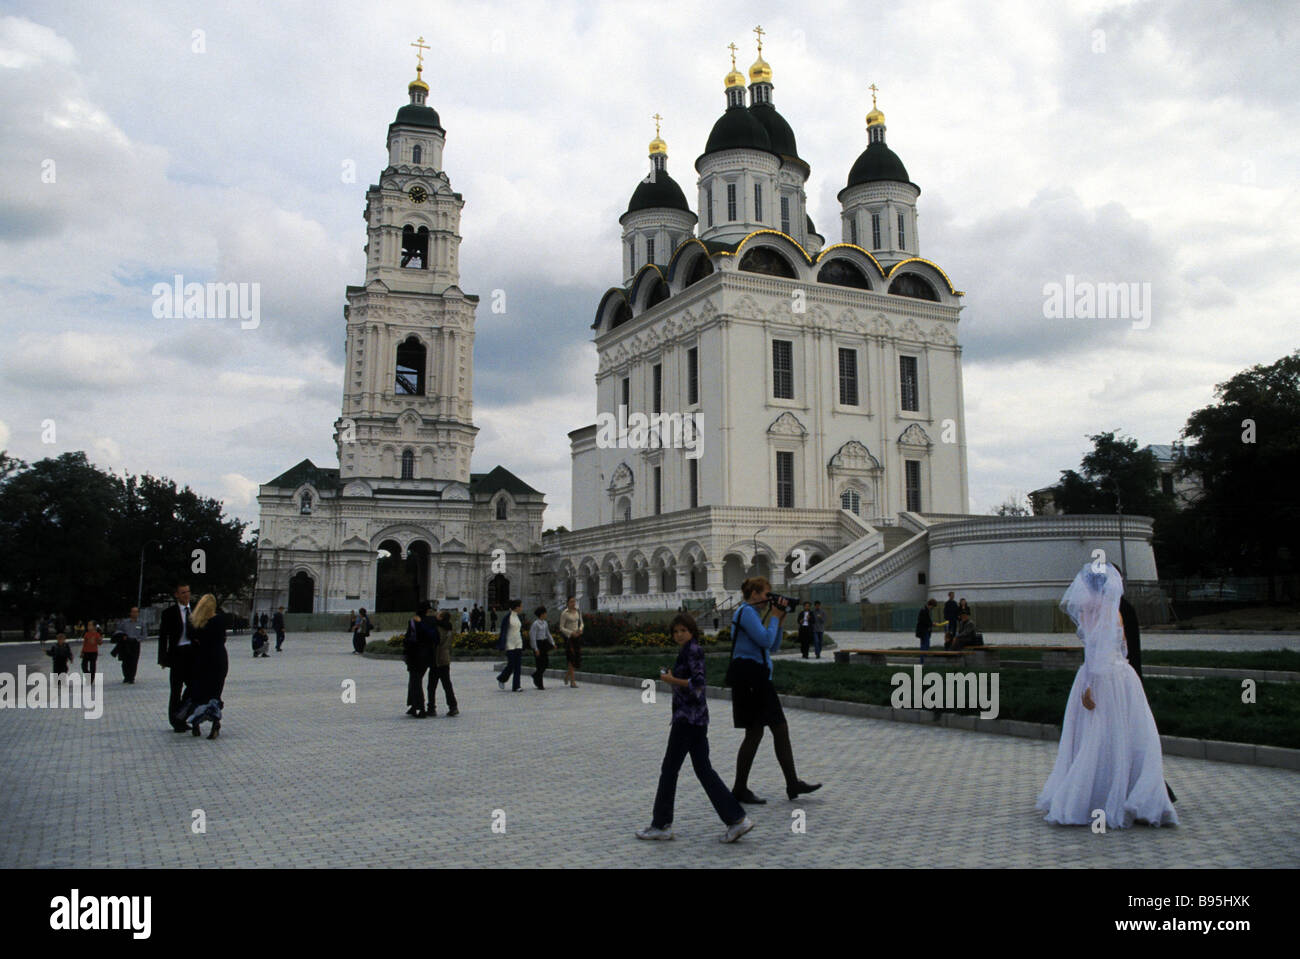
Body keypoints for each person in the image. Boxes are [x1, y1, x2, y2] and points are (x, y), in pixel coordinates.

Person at [1036, 562, 1178, 828]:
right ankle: (1127, 790)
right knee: (1126, 734)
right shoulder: (1118, 612)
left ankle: (1093, 794)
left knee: (1095, 737)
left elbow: (1093, 651)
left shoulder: (1091, 610)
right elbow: (1123, 648)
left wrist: (1089, 684)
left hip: (1099, 677)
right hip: (1123, 678)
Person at [636, 613, 754, 843]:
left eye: (683, 630)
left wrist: (671, 680)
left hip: (687, 720)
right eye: (676, 631)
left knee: (669, 770)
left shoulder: (693, 651)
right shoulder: (688, 651)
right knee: (704, 770)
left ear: (692, 632)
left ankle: (661, 824)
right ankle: (737, 820)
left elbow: (698, 685)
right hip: (696, 720)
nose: (679, 635)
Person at [728, 577, 822, 805]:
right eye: (766, 595)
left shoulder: (750, 613)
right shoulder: (747, 612)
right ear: (754, 594)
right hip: (751, 679)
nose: (767, 600)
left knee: (773, 730)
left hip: (756, 678)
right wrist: (775, 618)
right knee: (761, 731)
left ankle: (790, 783)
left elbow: (773, 645)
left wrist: (779, 621)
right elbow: (765, 640)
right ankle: (743, 788)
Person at [1113, 564, 1176, 804]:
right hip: (1122, 679)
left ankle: (1143, 788)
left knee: (1128, 737)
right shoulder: (1118, 608)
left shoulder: (1119, 610)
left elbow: (1127, 651)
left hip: (1120, 681)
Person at [186, 594, 231, 739]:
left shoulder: (195, 622)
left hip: (202, 659)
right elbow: (223, 638)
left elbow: (192, 638)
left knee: (198, 692)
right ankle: (215, 723)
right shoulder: (219, 620)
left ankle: (196, 723)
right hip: (218, 658)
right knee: (215, 693)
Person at [158, 583, 196, 732]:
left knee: (193, 687)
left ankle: (183, 715)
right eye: (183, 592)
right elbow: (163, 638)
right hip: (177, 654)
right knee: (176, 690)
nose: (186, 595)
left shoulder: (195, 610)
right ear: (177, 595)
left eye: (188, 591)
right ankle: (175, 721)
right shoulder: (169, 613)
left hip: (192, 653)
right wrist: (163, 659)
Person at [405, 601, 435, 717]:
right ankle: (413, 705)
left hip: (415, 655)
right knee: (415, 680)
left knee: (415, 681)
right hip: (427, 655)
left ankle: (420, 708)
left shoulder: (414, 621)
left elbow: (408, 637)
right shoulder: (431, 621)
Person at [428, 608, 459, 716]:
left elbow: (437, 641)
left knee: (431, 686)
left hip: (438, 659)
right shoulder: (449, 627)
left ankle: (431, 708)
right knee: (447, 684)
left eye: (438, 614)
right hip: (445, 658)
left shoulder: (440, 628)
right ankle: (453, 706)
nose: (436, 615)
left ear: (441, 617)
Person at [110, 607, 145, 683]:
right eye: (133, 612)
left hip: (135, 643)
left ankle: (132, 677)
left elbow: (144, 634)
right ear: (130, 613)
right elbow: (118, 631)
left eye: (136, 612)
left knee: (134, 661)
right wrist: (123, 636)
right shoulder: (124, 622)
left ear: (138, 613)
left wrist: (138, 639)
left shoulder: (141, 623)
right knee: (125, 661)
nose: (134, 613)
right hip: (126, 643)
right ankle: (126, 676)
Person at [496, 600, 525, 691]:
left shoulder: (518, 617)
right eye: (521, 606)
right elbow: (503, 631)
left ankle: (516, 686)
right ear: (516, 607)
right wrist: (502, 644)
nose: (521, 608)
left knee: (518, 665)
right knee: (511, 664)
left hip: (518, 642)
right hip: (510, 643)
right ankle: (502, 678)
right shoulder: (507, 617)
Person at [558, 595, 584, 688]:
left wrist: (580, 629)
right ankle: (573, 681)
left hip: (577, 636)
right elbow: (561, 627)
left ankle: (567, 676)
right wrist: (570, 633)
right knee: (571, 657)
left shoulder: (577, 611)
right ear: (568, 603)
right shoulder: (564, 613)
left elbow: (581, 623)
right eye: (571, 602)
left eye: (574, 601)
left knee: (577, 659)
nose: (573, 603)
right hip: (569, 637)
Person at [528, 606, 554, 690]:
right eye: (545, 613)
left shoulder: (545, 623)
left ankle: (535, 675)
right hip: (538, 644)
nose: (546, 614)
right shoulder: (535, 624)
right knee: (539, 664)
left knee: (545, 662)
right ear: (542, 614)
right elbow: (532, 637)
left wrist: (552, 643)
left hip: (544, 643)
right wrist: (535, 648)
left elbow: (548, 634)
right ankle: (540, 684)